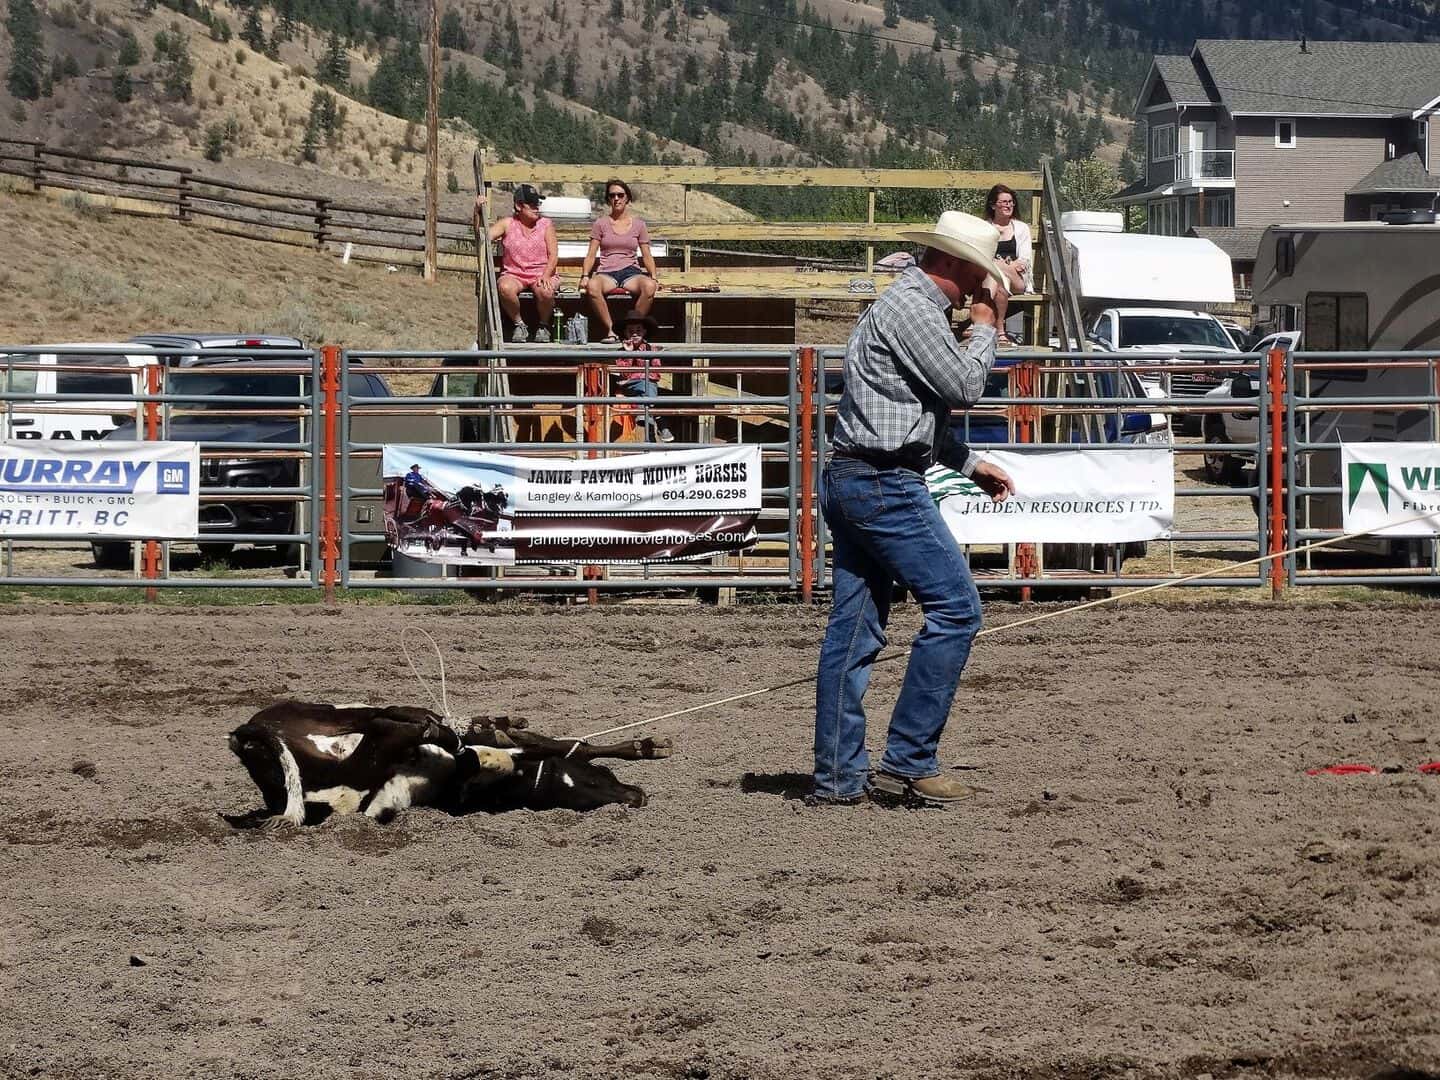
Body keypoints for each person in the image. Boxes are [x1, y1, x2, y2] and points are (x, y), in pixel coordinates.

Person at [813, 210, 1016, 807]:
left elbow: (907, 408)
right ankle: (909, 758)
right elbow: (963, 388)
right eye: (977, 275)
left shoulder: (900, 307)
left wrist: (969, 463)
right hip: (884, 482)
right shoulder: (915, 310)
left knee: (854, 629)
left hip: (858, 476)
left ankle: (838, 777)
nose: (980, 287)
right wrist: (986, 327)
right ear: (953, 263)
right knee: (957, 609)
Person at [474, 184, 560, 343]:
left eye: (538, 204)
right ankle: (519, 324)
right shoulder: (507, 224)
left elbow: (553, 254)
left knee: (546, 291)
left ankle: (544, 325)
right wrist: (477, 212)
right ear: (519, 206)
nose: (536, 208)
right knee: (505, 288)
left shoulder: (545, 224)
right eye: (532, 204)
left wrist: (547, 274)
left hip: (541, 272)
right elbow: (483, 237)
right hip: (514, 274)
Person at [579, 179, 661, 345]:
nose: (616, 198)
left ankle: (633, 329)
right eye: (612, 195)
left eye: (620, 195)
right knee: (592, 286)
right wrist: (585, 275)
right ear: (608, 199)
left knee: (649, 286)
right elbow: (591, 254)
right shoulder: (601, 224)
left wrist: (653, 276)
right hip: (607, 272)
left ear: (627, 198)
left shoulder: (639, 225)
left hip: (631, 272)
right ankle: (612, 330)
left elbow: (646, 254)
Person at [614, 313, 673, 443]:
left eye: (638, 330)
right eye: (631, 331)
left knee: (647, 386)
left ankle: (646, 418)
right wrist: (629, 354)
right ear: (625, 333)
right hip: (629, 386)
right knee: (648, 388)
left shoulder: (652, 349)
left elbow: (656, 373)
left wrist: (641, 376)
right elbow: (624, 374)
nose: (635, 334)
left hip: (646, 385)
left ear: (644, 332)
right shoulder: (621, 351)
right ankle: (661, 423)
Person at [984, 183, 1033, 299]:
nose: (1009, 205)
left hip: (1016, 277)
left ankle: (983, 303)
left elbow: (1024, 261)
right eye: (1004, 202)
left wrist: (1004, 264)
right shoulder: (984, 228)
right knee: (1000, 286)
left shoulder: (1022, 228)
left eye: (1011, 202)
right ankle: (989, 309)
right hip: (991, 277)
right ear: (993, 205)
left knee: (995, 268)